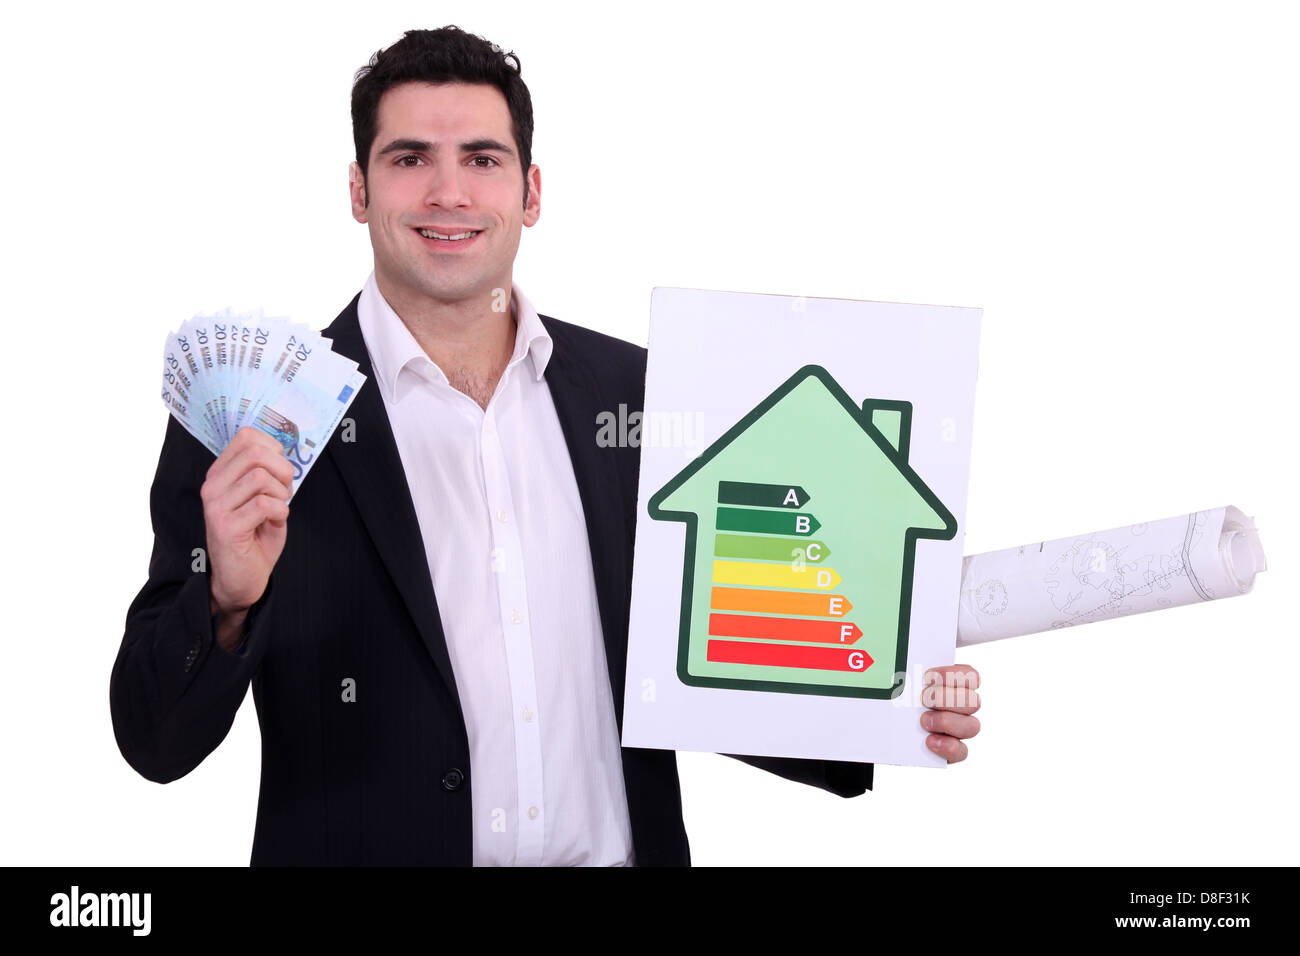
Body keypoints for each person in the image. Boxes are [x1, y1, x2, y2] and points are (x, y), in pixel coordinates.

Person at [110, 25, 981, 866]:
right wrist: (225, 603)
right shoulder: (252, 426)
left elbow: (717, 654)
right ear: (358, 191)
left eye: (482, 160)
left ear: (530, 193)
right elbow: (154, 739)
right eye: (409, 159)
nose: (448, 193)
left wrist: (889, 705)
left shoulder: (644, 399)